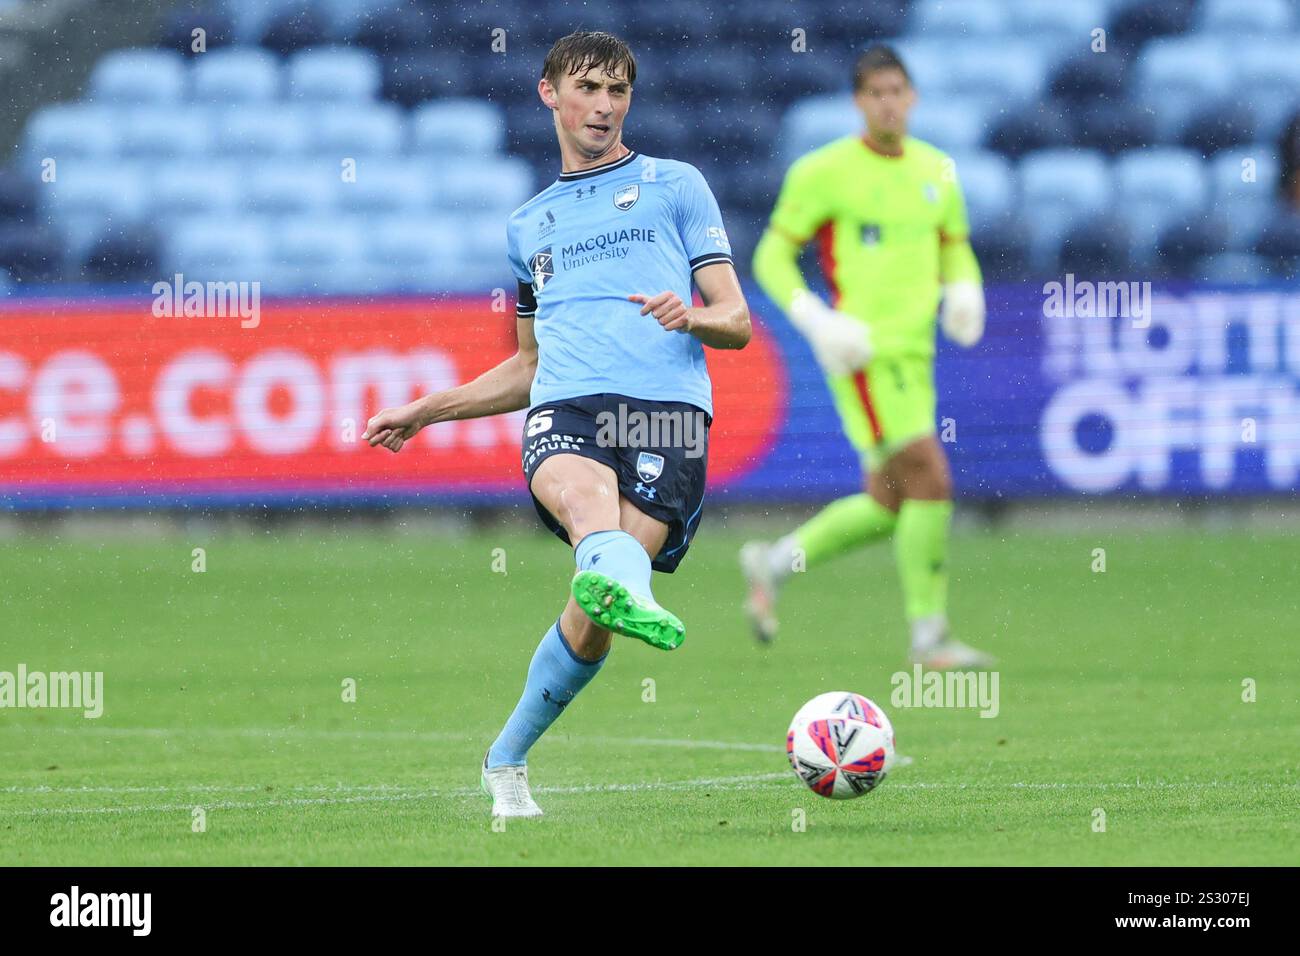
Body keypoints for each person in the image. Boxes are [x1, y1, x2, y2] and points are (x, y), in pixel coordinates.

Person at [362, 31, 749, 817]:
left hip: (669, 417)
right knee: (586, 511)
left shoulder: (676, 186)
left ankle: (505, 758)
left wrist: (692, 316)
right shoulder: (528, 226)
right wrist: (428, 409)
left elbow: (736, 320)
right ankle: (625, 582)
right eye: (587, 88)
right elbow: (528, 365)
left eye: (617, 91)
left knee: (595, 609)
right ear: (550, 93)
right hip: (568, 406)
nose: (603, 106)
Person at [741, 44, 992, 670]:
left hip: (916, 353)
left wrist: (965, 288)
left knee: (889, 503)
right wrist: (816, 320)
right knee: (930, 476)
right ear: (859, 101)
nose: (887, 104)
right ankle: (929, 636)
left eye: (896, 92)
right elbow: (771, 257)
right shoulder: (825, 171)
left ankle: (776, 562)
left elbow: (954, 245)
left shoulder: (937, 170)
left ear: (913, 97)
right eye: (875, 93)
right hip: (864, 353)